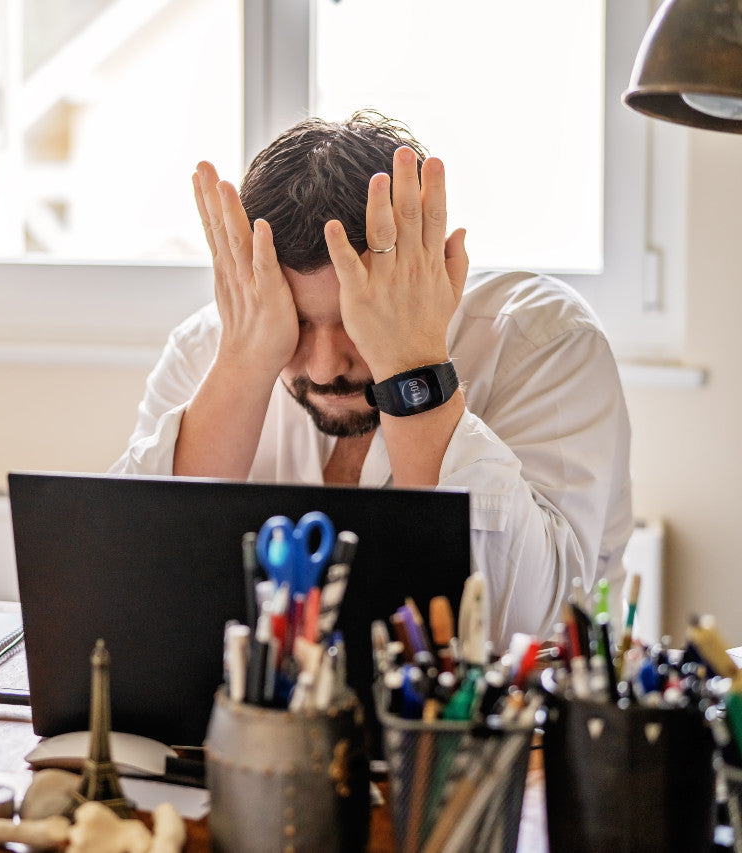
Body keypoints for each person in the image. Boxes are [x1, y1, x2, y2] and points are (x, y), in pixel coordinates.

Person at [110, 111, 633, 649]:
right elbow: (127, 586)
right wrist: (245, 360)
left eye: (356, 321)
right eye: (295, 323)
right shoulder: (207, 350)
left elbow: (518, 627)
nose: (323, 367)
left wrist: (412, 364)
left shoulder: (543, 340)